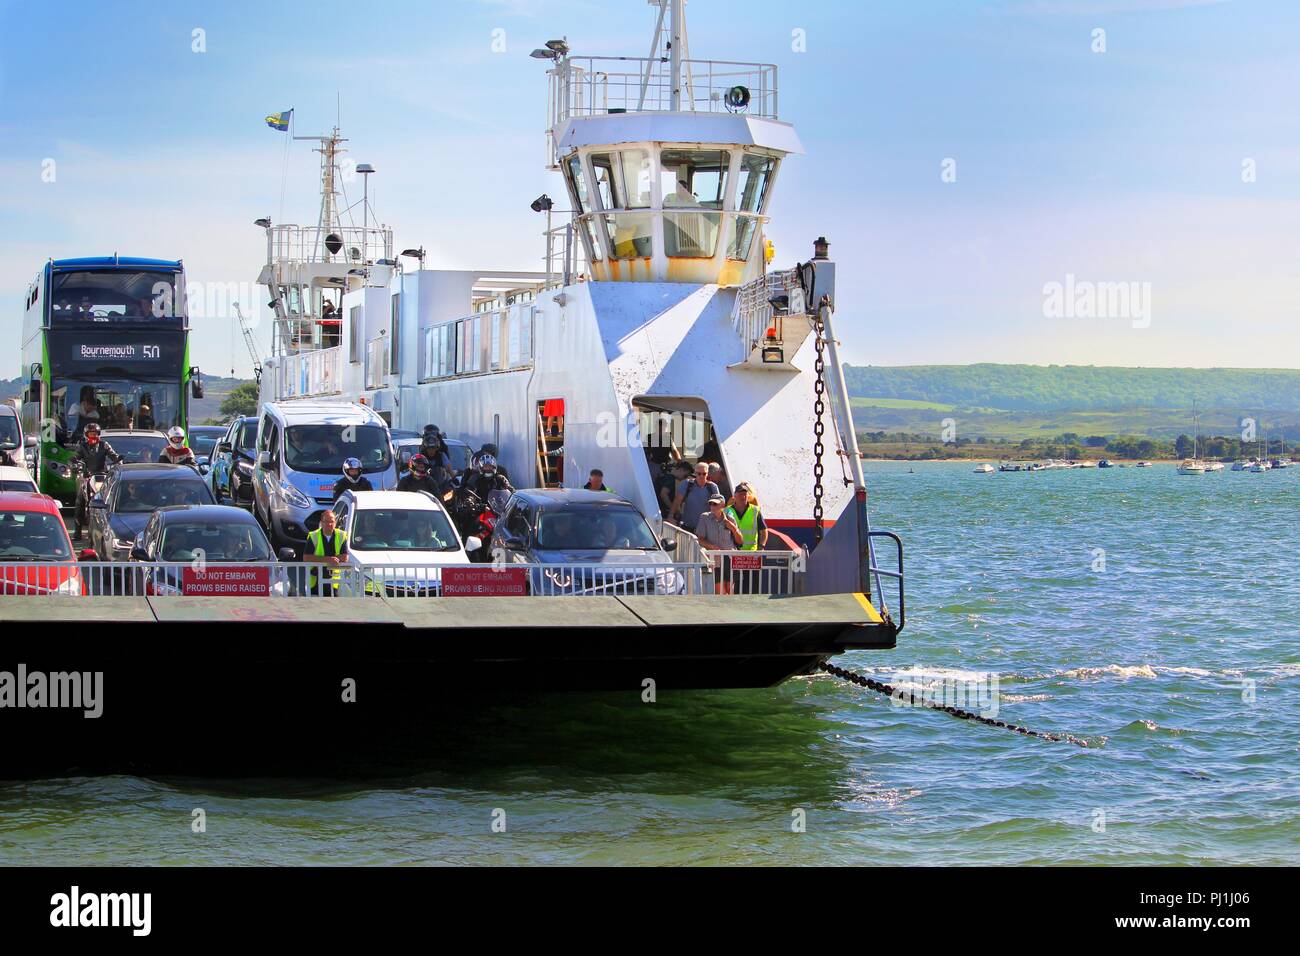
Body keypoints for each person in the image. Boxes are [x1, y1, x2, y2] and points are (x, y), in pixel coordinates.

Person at [69, 422, 122, 539]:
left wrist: (118, 460)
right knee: (79, 502)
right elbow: (76, 457)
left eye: (95, 433)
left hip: (103, 476)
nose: (93, 436)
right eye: (91, 433)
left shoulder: (104, 445)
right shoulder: (83, 446)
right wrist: (74, 463)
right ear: (86, 435)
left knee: (110, 499)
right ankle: (77, 532)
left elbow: (113, 455)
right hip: (88, 477)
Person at [694, 493, 743, 593]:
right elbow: (700, 539)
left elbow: (740, 541)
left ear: (722, 505)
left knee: (730, 590)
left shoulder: (730, 519)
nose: (712, 506)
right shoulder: (704, 517)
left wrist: (733, 528)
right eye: (711, 504)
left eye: (715, 504)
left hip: (730, 558)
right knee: (719, 591)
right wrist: (712, 547)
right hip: (714, 559)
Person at [724, 482, 768, 594]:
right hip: (733, 555)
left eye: (745, 494)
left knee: (753, 587)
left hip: (752, 556)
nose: (743, 497)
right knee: (736, 588)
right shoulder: (727, 511)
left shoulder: (755, 511)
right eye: (740, 494)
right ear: (734, 496)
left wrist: (761, 547)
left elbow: (764, 531)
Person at [304, 510, 348, 595]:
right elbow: (306, 558)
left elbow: (345, 557)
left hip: (333, 581)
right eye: (326, 522)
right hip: (315, 581)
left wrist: (333, 560)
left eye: (332, 521)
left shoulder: (341, 535)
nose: (329, 524)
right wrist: (328, 560)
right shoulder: (313, 535)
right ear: (321, 523)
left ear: (335, 522)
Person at [671, 462, 718, 534]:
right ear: (695, 474)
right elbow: (677, 501)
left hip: (706, 529)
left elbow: (718, 506)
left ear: (707, 474)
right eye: (699, 474)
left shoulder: (712, 487)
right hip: (687, 528)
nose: (701, 476)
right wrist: (670, 516)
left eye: (704, 474)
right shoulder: (686, 484)